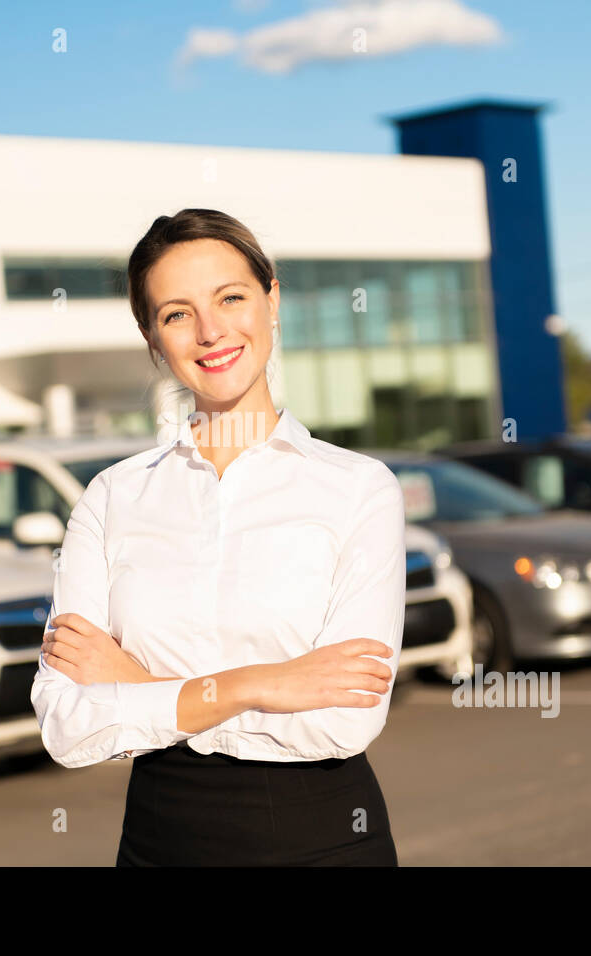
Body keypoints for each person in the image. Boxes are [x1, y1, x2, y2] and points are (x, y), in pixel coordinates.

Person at [30, 208, 405, 866]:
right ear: (153, 339)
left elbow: (345, 718)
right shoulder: (113, 498)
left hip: (319, 836)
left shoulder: (359, 489)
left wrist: (141, 687)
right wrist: (261, 684)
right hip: (159, 840)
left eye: (230, 298)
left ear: (272, 301)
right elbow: (68, 725)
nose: (210, 331)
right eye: (176, 314)